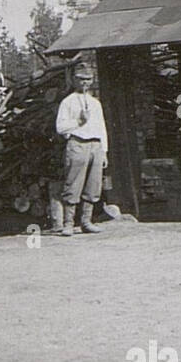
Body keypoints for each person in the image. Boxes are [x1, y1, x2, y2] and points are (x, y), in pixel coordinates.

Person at [55, 63, 109, 235]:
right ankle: (68, 223)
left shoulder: (95, 103)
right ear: (74, 80)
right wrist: (79, 122)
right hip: (78, 144)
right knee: (73, 183)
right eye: (81, 79)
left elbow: (102, 128)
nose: (85, 83)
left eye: (88, 79)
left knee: (93, 185)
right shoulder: (67, 102)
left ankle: (86, 221)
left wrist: (104, 151)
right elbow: (60, 127)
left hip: (95, 146)